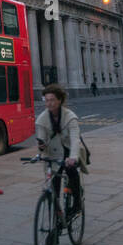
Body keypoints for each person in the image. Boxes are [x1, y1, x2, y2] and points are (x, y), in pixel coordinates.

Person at [35, 84, 87, 226]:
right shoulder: (41, 119)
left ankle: (76, 203)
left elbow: (75, 139)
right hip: (52, 156)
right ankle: (55, 226)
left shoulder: (70, 117)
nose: (49, 103)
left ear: (59, 100)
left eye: (52, 100)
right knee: (53, 192)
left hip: (68, 152)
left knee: (72, 172)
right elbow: (41, 141)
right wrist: (40, 149)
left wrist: (73, 157)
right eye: (46, 100)